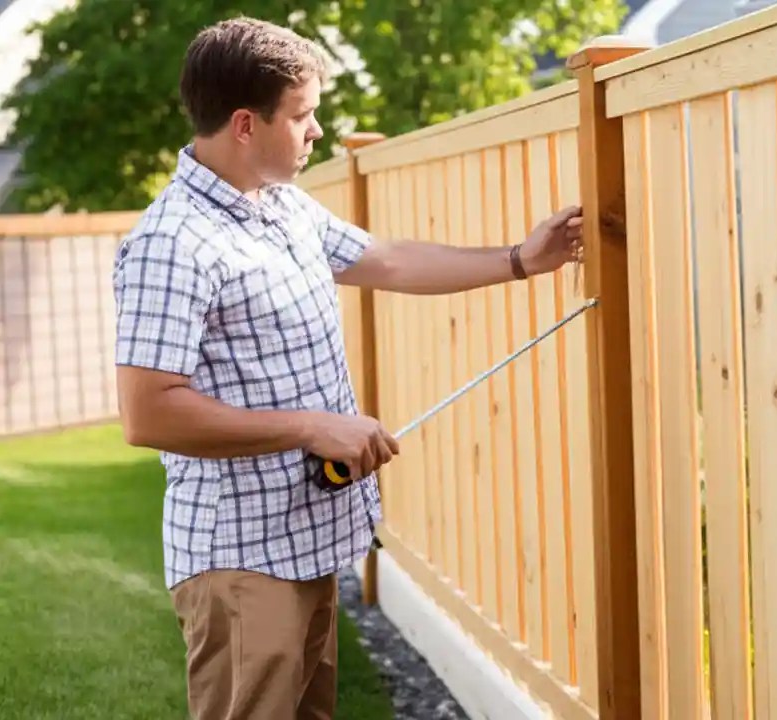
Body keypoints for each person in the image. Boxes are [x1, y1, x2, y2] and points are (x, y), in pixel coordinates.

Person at [112, 16, 583, 720]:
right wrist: (309, 427)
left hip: (303, 541)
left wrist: (520, 259)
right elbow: (148, 412)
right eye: (302, 116)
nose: (317, 132)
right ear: (246, 124)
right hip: (243, 561)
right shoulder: (172, 243)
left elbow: (386, 259)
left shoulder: (278, 206)